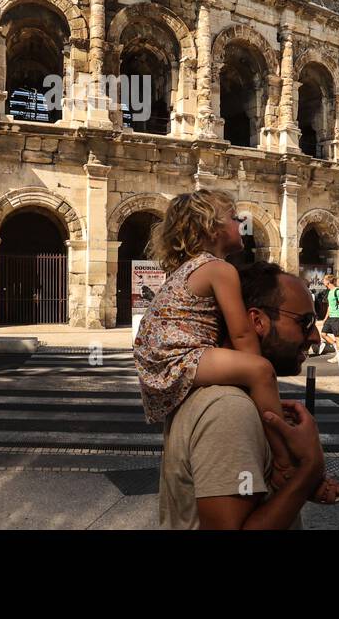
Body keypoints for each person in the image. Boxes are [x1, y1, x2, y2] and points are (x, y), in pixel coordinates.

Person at [158, 260, 339, 529]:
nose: (316, 337)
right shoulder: (230, 410)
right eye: (305, 322)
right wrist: (309, 470)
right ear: (257, 321)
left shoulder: (236, 398)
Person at [134, 190, 295, 475]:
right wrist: (260, 380)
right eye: (234, 218)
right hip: (179, 357)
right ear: (212, 228)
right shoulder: (219, 269)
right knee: (260, 371)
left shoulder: (188, 268)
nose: (240, 222)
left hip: (161, 358)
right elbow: (242, 335)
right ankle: (284, 459)